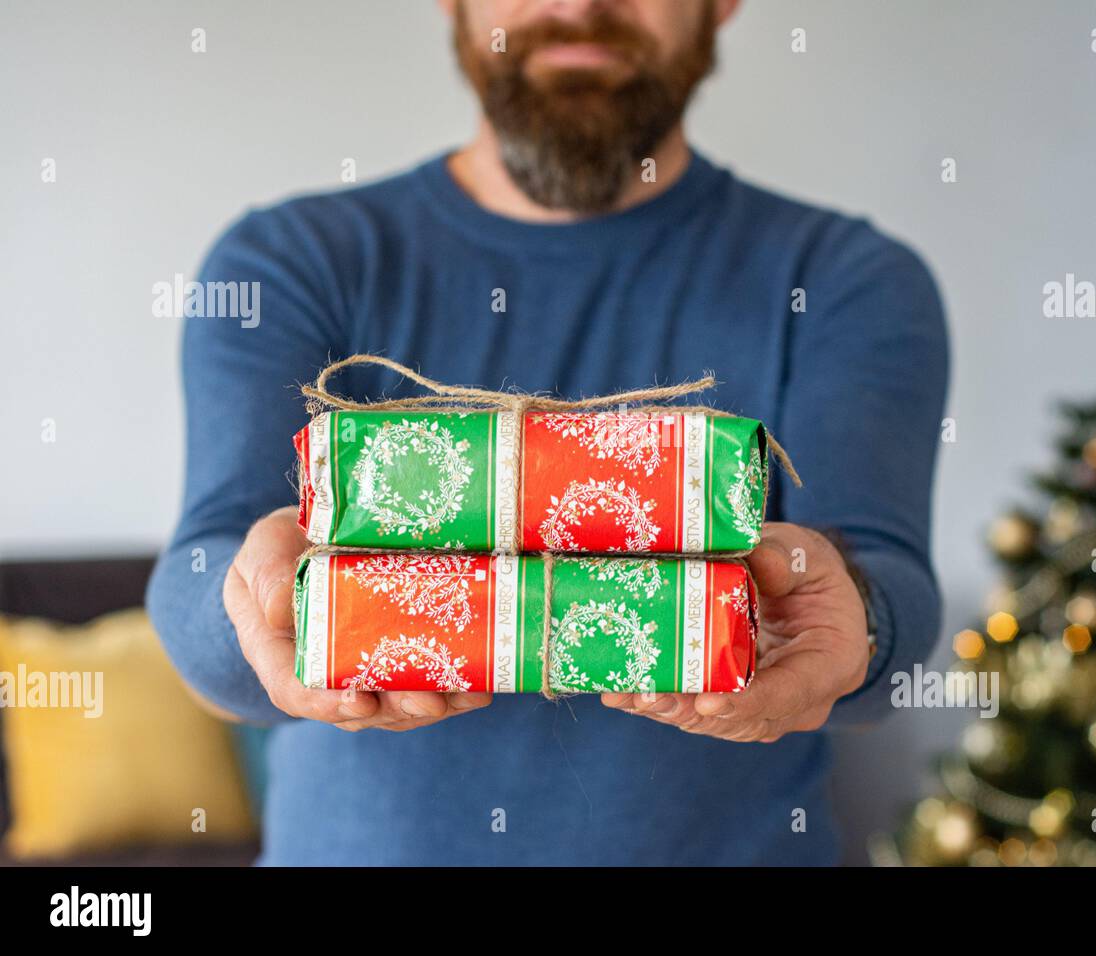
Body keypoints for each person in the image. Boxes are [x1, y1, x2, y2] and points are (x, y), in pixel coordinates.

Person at [146, 0, 948, 865]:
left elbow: (887, 598)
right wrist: (254, 607)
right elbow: (203, 580)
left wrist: (854, 622)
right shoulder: (286, 260)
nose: (576, 5)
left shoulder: (848, 279)